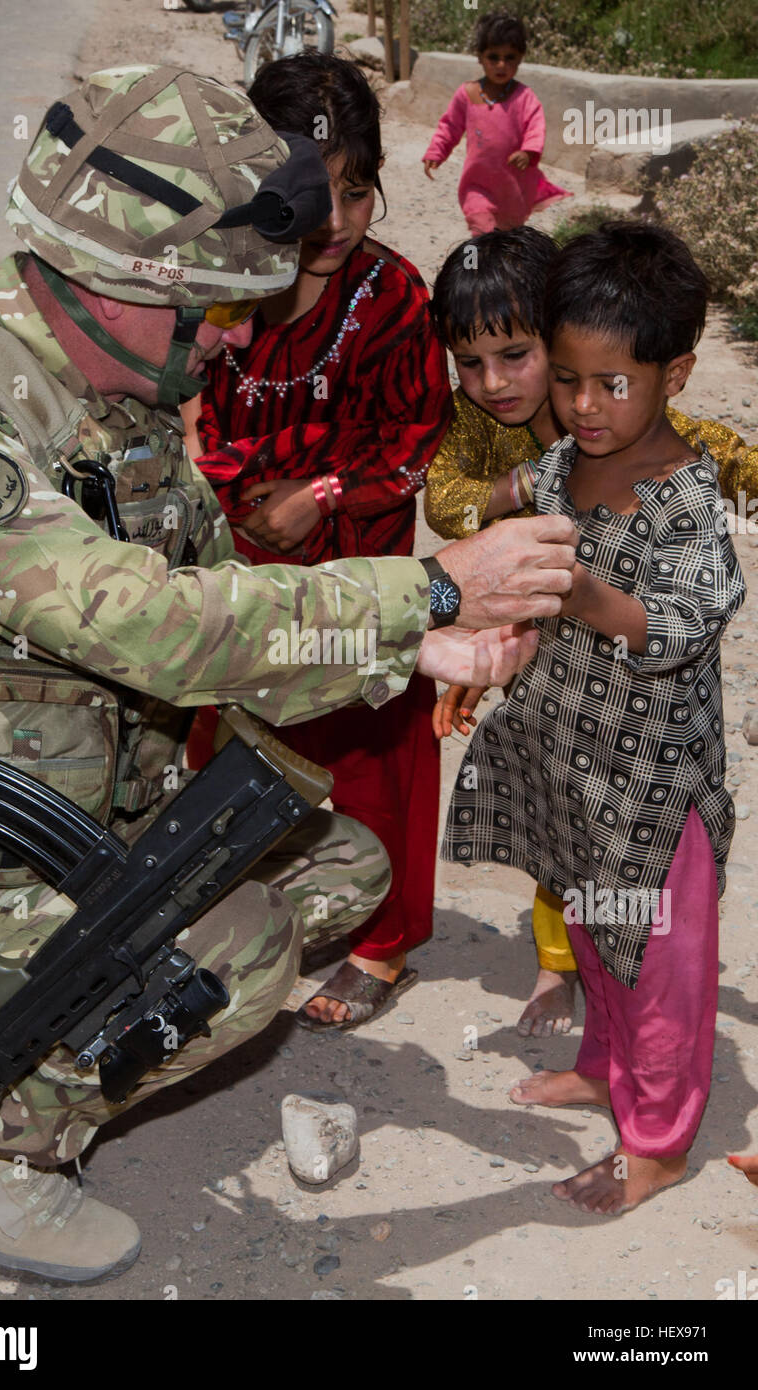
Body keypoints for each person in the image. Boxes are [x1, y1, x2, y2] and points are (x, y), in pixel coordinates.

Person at [0, 66, 576, 1282]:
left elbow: (238, 619)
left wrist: (420, 651)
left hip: (42, 810)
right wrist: (425, 588)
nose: (239, 338)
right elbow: (147, 623)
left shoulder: (127, 405)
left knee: (338, 863)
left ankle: (14, 1041)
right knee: (237, 943)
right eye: (215, 308)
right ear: (119, 284)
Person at [440, 221, 746, 1214]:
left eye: (609, 383)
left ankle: (654, 1142)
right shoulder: (563, 462)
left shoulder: (685, 494)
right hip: (571, 760)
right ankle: (605, 1068)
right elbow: (519, 584)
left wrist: (581, 592)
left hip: (656, 793)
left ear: (675, 373)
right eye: (566, 379)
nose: (581, 403)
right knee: (594, 929)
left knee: (656, 965)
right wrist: (477, 667)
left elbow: (677, 624)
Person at [184, 54, 452, 1031]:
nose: (336, 220)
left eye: (356, 190)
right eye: (313, 193)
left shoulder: (393, 300)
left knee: (371, 752)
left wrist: (322, 496)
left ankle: (382, 946)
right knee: (232, 745)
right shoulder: (227, 284)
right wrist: (234, 499)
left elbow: (414, 442)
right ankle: (266, 900)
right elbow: (194, 416)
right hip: (241, 574)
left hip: (357, 573)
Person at [421, 10, 571, 236]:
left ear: (520, 58)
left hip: (512, 185)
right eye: (493, 57)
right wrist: (436, 151)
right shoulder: (467, 94)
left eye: (509, 57)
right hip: (477, 183)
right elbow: (450, 126)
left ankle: (504, 267)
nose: (501, 65)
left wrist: (528, 151)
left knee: (509, 234)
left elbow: (536, 126)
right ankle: (479, 265)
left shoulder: (524, 97)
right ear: (480, 57)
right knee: (481, 226)